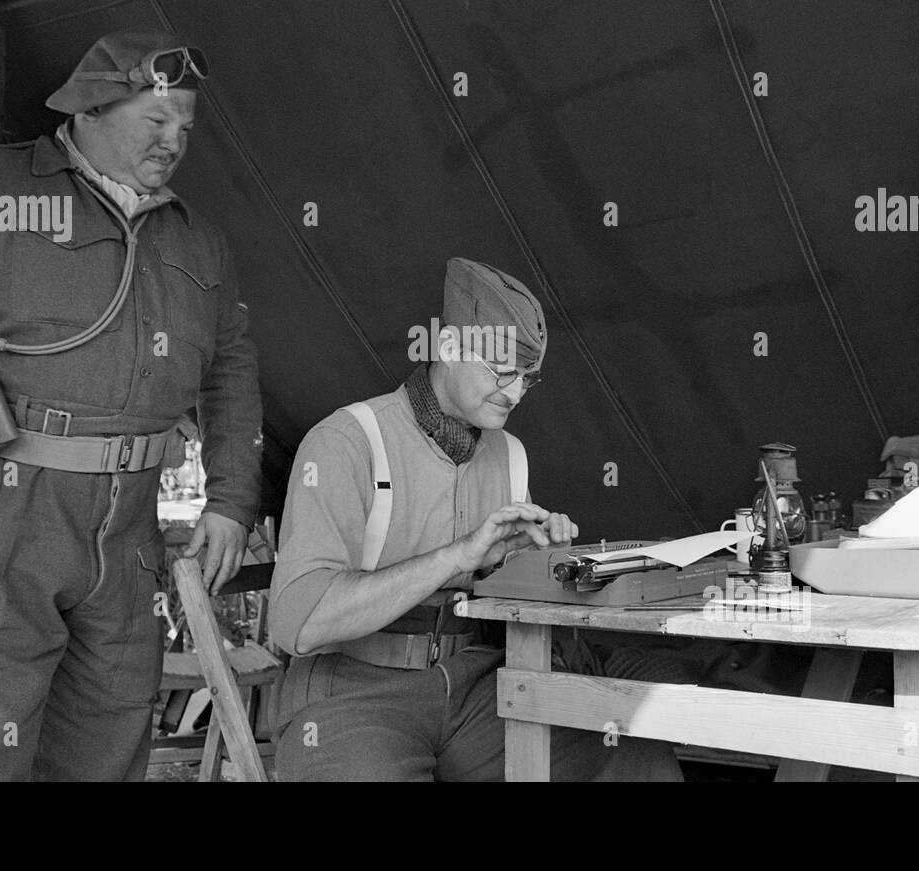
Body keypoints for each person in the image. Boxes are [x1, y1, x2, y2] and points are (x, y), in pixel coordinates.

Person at [0, 28, 263, 781]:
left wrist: (232, 498)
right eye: (157, 121)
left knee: (104, 755)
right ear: (95, 108)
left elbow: (232, 370)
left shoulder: (198, 242)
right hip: (2, 518)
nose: (175, 142)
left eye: (186, 127)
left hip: (129, 532)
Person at [267, 258, 683, 781]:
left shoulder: (510, 454)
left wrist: (538, 563)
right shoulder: (345, 442)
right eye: (502, 371)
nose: (513, 393)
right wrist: (457, 556)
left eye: (528, 379)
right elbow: (297, 625)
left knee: (632, 754)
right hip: (354, 692)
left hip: (474, 683)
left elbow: (508, 594)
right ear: (447, 348)